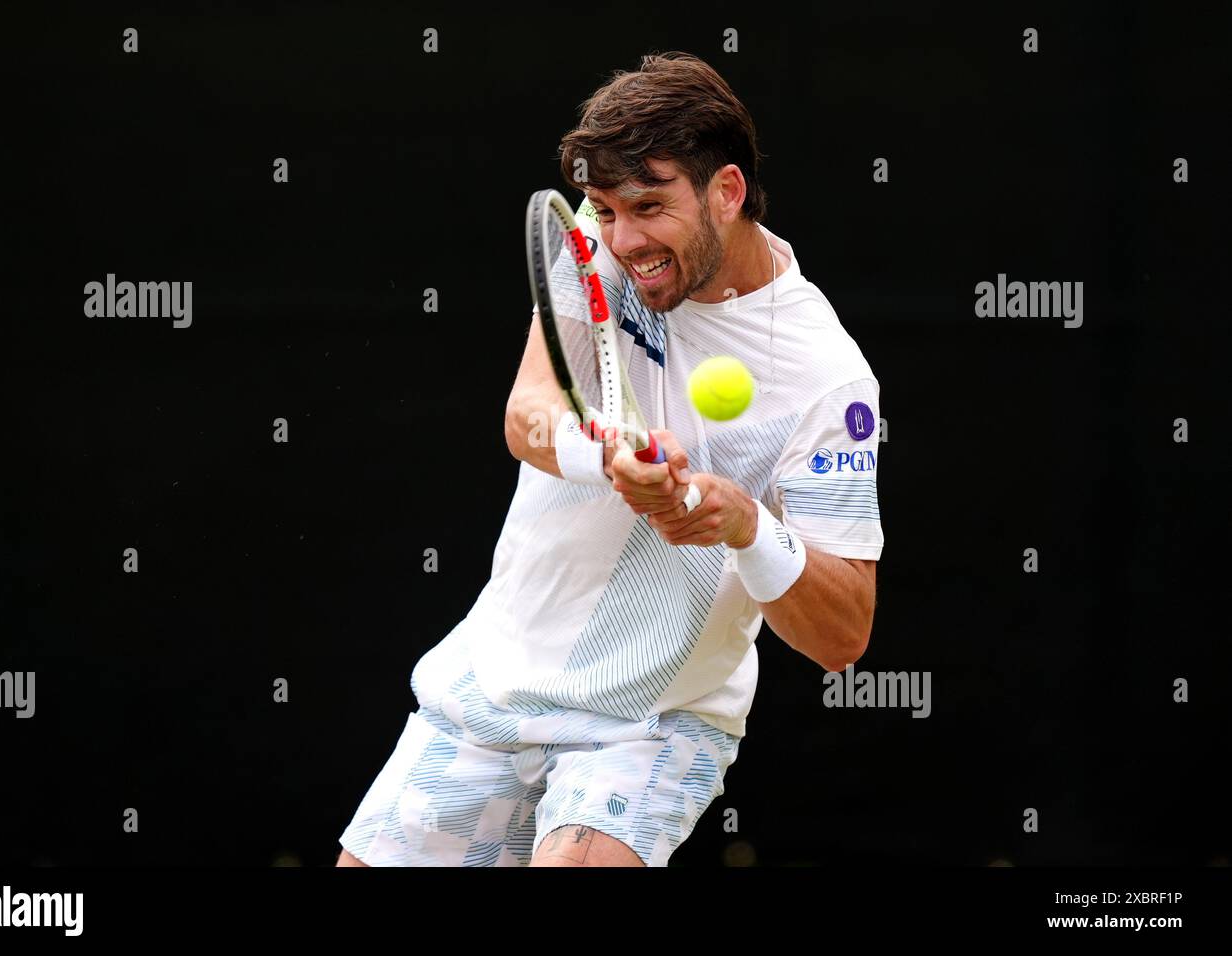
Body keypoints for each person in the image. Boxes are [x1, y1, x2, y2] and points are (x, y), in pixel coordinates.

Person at [337, 51, 882, 868]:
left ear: (726, 192)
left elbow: (843, 635)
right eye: (603, 207)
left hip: (651, 725)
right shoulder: (594, 246)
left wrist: (745, 524)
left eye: (651, 207)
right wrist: (608, 454)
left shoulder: (829, 381)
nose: (624, 239)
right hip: (491, 686)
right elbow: (529, 417)